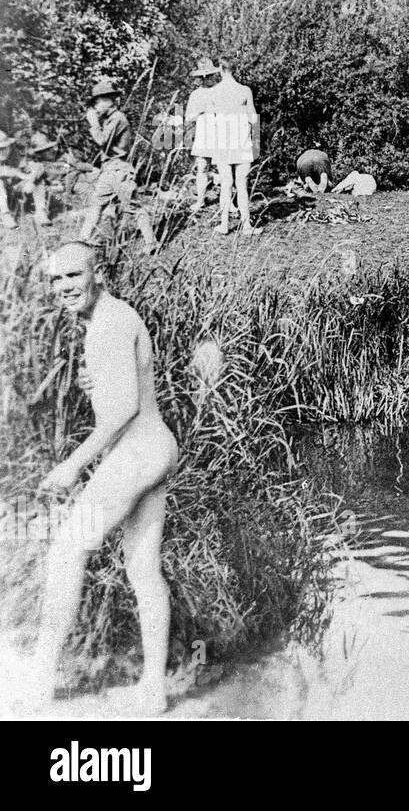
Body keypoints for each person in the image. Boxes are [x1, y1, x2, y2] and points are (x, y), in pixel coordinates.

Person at [29, 241, 179, 714]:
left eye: (74, 276)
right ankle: (154, 690)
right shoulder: (113, 318)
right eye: (56, 279)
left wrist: (73, 465)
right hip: (155, 450)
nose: (64, 287)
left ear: (99, 273)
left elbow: (122, 410)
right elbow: (129, 387)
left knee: (66, 551)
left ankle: (38, 679)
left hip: (135, 453)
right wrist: (98, 380)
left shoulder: (107, 325)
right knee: (142, 570)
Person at [81, 78, 153, 245]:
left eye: (97, 103)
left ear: (108, 101)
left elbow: (101, 141)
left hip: (119, 170)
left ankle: (151, 243)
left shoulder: (117, 118)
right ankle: (83, 239)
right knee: (96, 204)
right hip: (110, 170)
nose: (96, 107)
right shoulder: (110, 119)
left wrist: (93, 124)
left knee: (133, 207)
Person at [204, 59, 261, 236]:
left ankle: (224, 225)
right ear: (234, 69)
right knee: (242, 185)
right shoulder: (245, 90)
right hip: (241, 140)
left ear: (220, 69)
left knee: (226, 184)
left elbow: (209, 120)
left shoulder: (213, 92)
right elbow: (253, 119)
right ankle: (246, 226)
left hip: (222, 142)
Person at [184, 57, 220, 210]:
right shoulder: (196, 95)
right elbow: (188, 117)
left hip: (219, 132)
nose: (210, 79)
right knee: (202, 167)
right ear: (201, 78)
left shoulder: (220, 91)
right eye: (207, 76)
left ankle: (228, 202)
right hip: (204, 133)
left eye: (212, 75)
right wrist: (201, 111)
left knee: (222, 167)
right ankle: (200, 201)